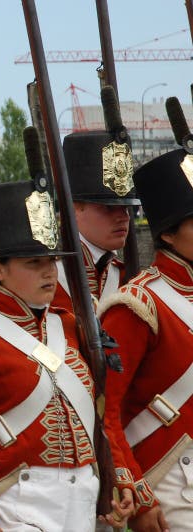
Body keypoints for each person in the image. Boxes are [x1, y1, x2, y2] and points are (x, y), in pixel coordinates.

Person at [0, 179, 134, 531]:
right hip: (14, 508)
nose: (49, 271)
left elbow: (102, 413)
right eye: (34, 262)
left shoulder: (69, 327)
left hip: (82, 503)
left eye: (52, 260)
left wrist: (119, 474)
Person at [98, 137, 193, 531]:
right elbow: (106, 412)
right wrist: (137, 493)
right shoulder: (137, 306)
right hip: (170, 477)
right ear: (168, 234)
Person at [53, 127, 140, 311]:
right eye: (109, 208)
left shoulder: (125, 274)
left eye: (126, 207)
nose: (123, 217)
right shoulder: (52, 278)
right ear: (74, 208)